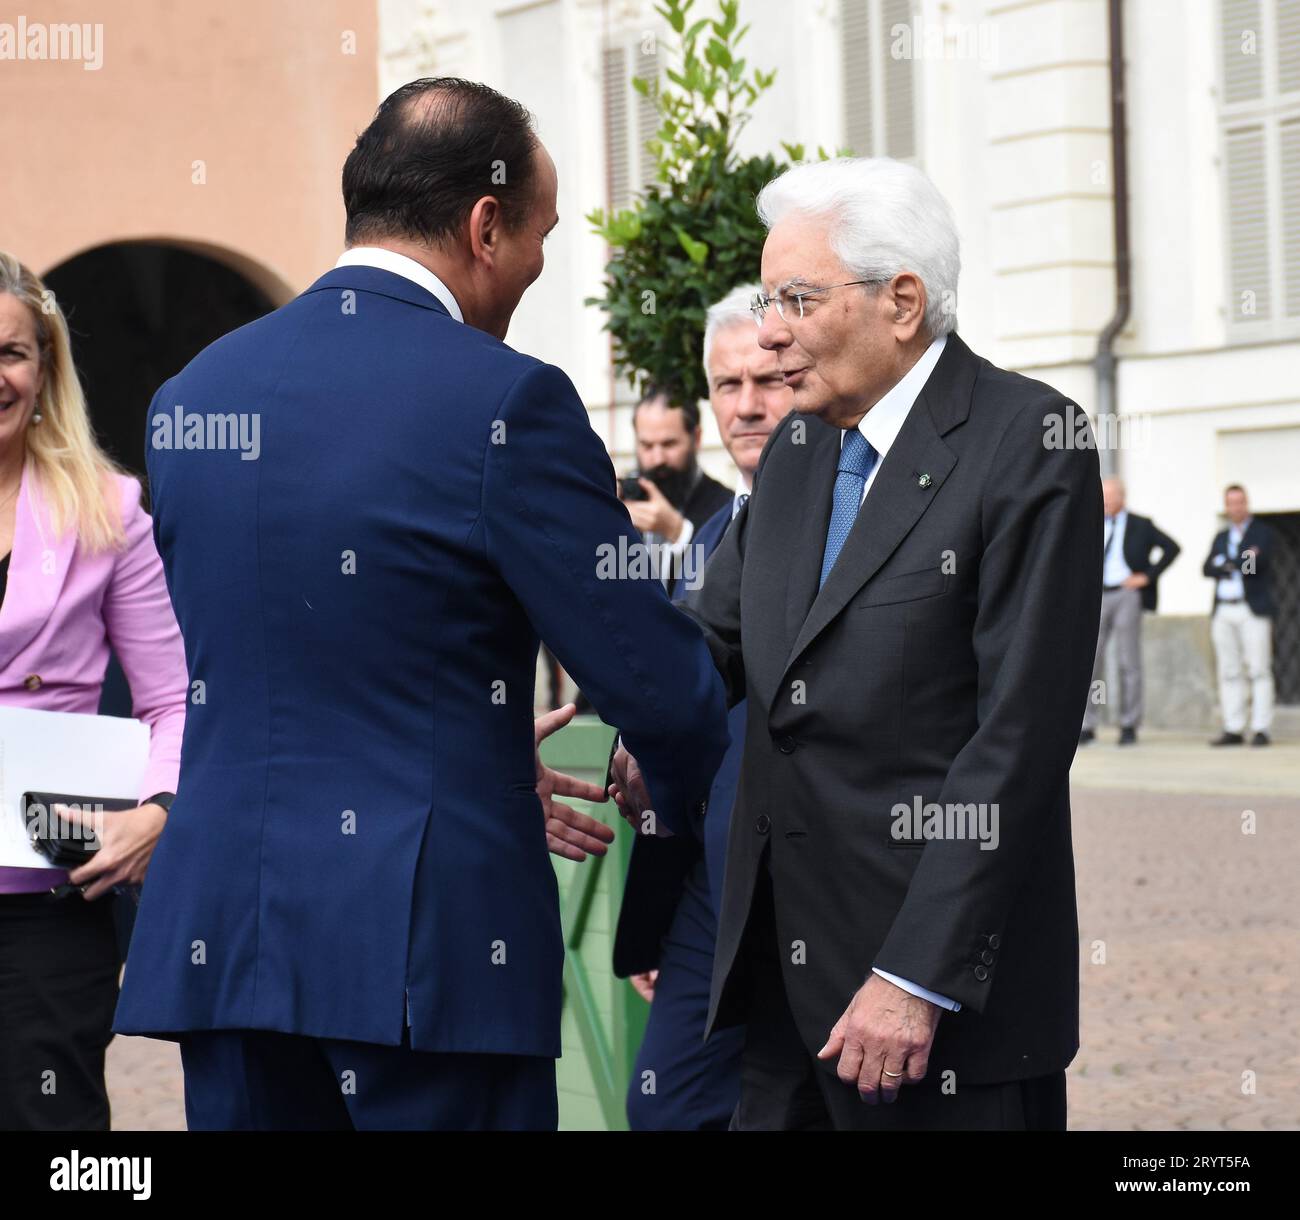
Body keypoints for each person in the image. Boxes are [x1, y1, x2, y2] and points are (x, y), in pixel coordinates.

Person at [111, 78, 728, 1132]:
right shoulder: (506, 399)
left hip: (229, 938)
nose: (539, 264)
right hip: (426, 952)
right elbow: (655, 682)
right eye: (541, 233)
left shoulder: (191, 396)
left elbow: (268, 652)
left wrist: (474, 753)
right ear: (486, 224)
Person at [611, 157, 1102, 1131]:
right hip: (779, 990)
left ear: (902, 301)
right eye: (767, 299)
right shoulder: (798, 450)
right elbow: (714, 642)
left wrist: (916, 972)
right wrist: (634, 715)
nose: (772, 327)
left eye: (795, 297)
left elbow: (1015, 745)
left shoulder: (1031, 440)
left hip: (937, 1003)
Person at [0, 252, 188, 1130]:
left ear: (44, 370)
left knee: (55, 1129)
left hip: (48, 893)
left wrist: (157, 810)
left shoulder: (106, 508)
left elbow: (172, 699)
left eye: (11, 353)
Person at [614, 284, 789, 1130]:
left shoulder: (857, 524)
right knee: (665, 1110)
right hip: (708, 898)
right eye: (728, 386)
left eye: (767, 380)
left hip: (811, 893)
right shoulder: (713, 540)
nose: (748, 407)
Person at [1079, 477, 1180, 747]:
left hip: (1127, 595)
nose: (1106, 502)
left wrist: (1148, 576)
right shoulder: (1091, 522)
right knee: (1090, 663)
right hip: (1098, 595)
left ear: (1122, 498)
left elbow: (1172, 548)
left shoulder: (1141, 525)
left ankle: (1129, 724)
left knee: (1128, 662)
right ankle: (1088, 724)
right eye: (1103, 498)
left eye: (1110, 498)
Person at [620, 383, 734, 586]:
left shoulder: (726, 506)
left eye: (669, 444)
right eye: (646, 445)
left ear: (696, 438)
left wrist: (678, 532)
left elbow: (723, 589)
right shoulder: (622, 501)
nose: (657, 458)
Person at [1204, 484, 1275, 747]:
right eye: (1231, 503)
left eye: (1240, 502)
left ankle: (1261, 727)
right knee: (1229, 670)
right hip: (1224, 608)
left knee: (1258, 668)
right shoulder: (1221, 536)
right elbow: (1207, 568)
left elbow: (1254, 566)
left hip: (1251, 608)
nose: (1236, 507)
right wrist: (1233, 563)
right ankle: (1233, 726)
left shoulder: (1262, 533)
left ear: (1247, 503)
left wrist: (1226, 563)